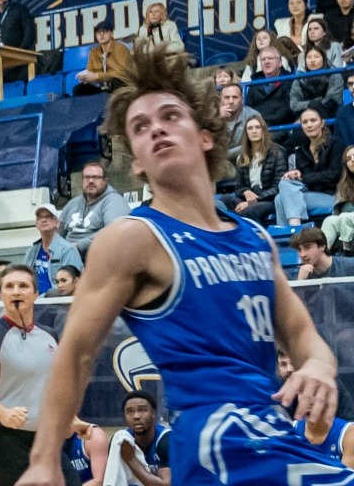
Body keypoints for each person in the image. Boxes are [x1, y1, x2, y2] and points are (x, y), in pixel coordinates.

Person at [19, 47, 350, 486]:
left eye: (171, 116)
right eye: (140, 127)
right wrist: (44, 461)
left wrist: (319, 366)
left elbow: (303, 336)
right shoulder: (132, 238)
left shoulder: (255, 238)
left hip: (273, 434)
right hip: (217, 443)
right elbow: (76, 352)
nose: (156, 128)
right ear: (137, 161)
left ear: (205, 136)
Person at [0, 264, 71, 486]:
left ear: (36, 294)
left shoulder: (49, 335)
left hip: (46, 440)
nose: (16, 291)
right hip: (7, 442)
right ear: (1, 294)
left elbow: (53, 384)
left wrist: (70, 419)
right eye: (9, 286)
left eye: (23, 286)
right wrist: (2, 413)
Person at [276, 108, 344, 226]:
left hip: (333, 196)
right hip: (312, 194)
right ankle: (293, 230)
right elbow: (305, 180)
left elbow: (334, 174)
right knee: (281, 192)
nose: (309, 125)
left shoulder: (336, 144)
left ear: (322, 123)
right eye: (305, 122)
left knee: (282, 198)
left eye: (313, 120)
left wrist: (303, 177)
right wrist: (295, 175)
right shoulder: (301, 149)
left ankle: (294, 229)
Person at [55, 164, 128, 254]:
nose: (91, 181)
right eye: (87, 177)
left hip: (97, 256)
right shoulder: (73, 203)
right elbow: (58, 232)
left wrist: (78, 246)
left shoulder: (114, 201)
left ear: (105, 181)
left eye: (96, 177)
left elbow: (113, 231)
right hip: (67, 256)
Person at [101, 392, 169, 486]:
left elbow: (166, 484)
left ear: (153, 413)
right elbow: (113, 480)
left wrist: (131, 460)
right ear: (124, 417)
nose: (136, 416)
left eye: (142, 410)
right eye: (130, 411)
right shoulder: (121, 441)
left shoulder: (166, 440)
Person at [21, 204, 81, 295]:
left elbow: (74, 285)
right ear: (36, 224)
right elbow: (22, 277)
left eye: (48, 216)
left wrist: (46, 297)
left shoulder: (68, 250)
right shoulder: (31, 251)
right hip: (32, 299)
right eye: (39, 217)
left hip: (57, 300)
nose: (43, 220)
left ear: (57, 223)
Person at [73, 21, 131, 96]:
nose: (101, 34)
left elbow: (121, 73)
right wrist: (86, 78)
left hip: (120, 84)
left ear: (111, 34)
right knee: (78, 89)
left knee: (116, 82)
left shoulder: (120, 48)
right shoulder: (94, 52)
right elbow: (91, 72)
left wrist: (97, 76)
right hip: (102, 86)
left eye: (105, 31)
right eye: (98, 32)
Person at [289, 228, 354, 281]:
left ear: (322, 246)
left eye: (307, 248)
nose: (302, 254)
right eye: (299, 250)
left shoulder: (350, 266)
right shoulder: (298, 275)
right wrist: (300, 282)